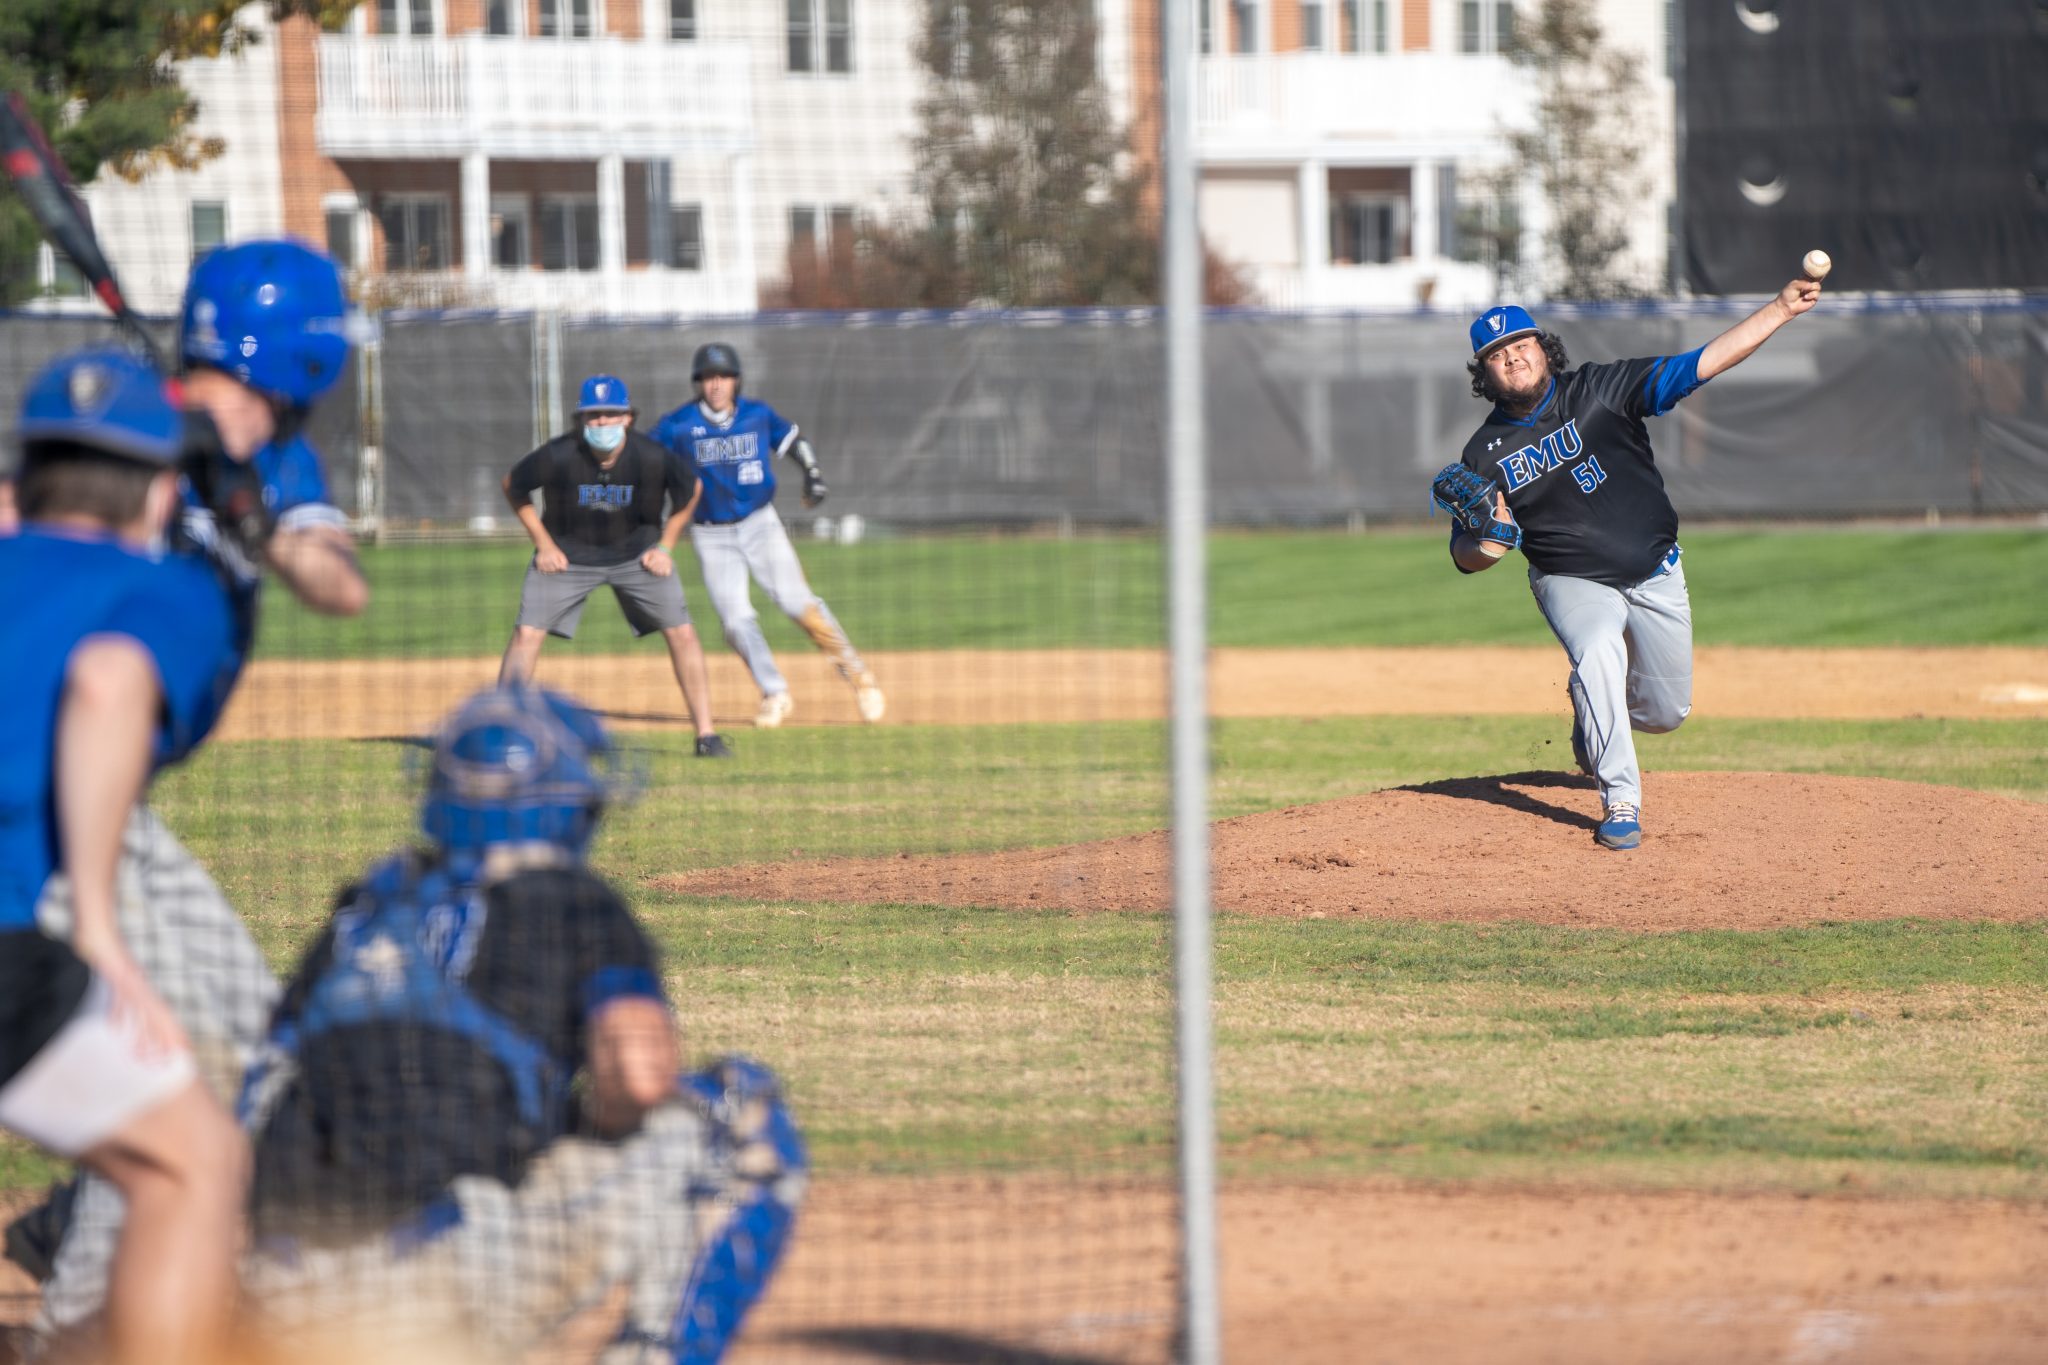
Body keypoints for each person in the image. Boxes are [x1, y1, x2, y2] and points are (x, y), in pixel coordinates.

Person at [18, 237, 375, 1352]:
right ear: (308, 357)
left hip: (104, 795)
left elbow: (339, 588)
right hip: (64, 797)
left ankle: (93, 1243)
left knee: (245, 1049)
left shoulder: (278, 468)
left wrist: (253, 515)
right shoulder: (130, 419)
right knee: (209, 1062)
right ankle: (92, 1308)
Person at [238, 685, 806, 1363]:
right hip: (440, 1282)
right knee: (739, 1114)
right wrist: (585, 1116)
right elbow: (640, 1076)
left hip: (267, 1298)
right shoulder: (571, 901)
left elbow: (258, 1085)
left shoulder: (369, 904)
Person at [0, 351, 247, 1365]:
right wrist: (98, 928)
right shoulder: (157, 589)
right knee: (195, 1162)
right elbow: (107, 678)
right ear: (157, 495)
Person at [1446, 276, 1822, 850]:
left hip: (1655, 570)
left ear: (1543, 348)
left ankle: (1589, 710)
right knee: (1598, 652)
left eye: (1520, 343)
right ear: (1485, 374)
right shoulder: (1483, 453)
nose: (1512, 357)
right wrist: (1488, 543)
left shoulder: (1602, 388)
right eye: (1496, 354)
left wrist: (1779, 309)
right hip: (1569, 579)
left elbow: (1702, 363)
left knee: (1666, 713)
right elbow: (1464, 555)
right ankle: (1620, 800)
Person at [652, 342, 885, 730]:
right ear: (698, 383)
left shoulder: (757, 415)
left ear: (736, 380)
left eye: (724, 376)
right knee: (735, 621)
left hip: (761, 525)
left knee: (799, 605)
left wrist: (812, 472)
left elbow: (793, 441)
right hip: (711, 535)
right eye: (708, 377)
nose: (716, 384)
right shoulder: (678, 425)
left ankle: (859, 676)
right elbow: (644, 453)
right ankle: (774, 692)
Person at [499, 374, 732, 759]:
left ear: (628, 418)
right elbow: (513, 484)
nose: (602, 423)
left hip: (637, 557)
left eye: (611, 414)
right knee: (526, 633)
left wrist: (667, 547)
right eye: (593, 416)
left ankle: (706, 736)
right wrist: (542, 544)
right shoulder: (560, 454)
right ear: (581, 421)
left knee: (684, 633)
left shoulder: (651, 456)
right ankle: (500, 735)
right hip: (567, 558)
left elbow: (692, 490)